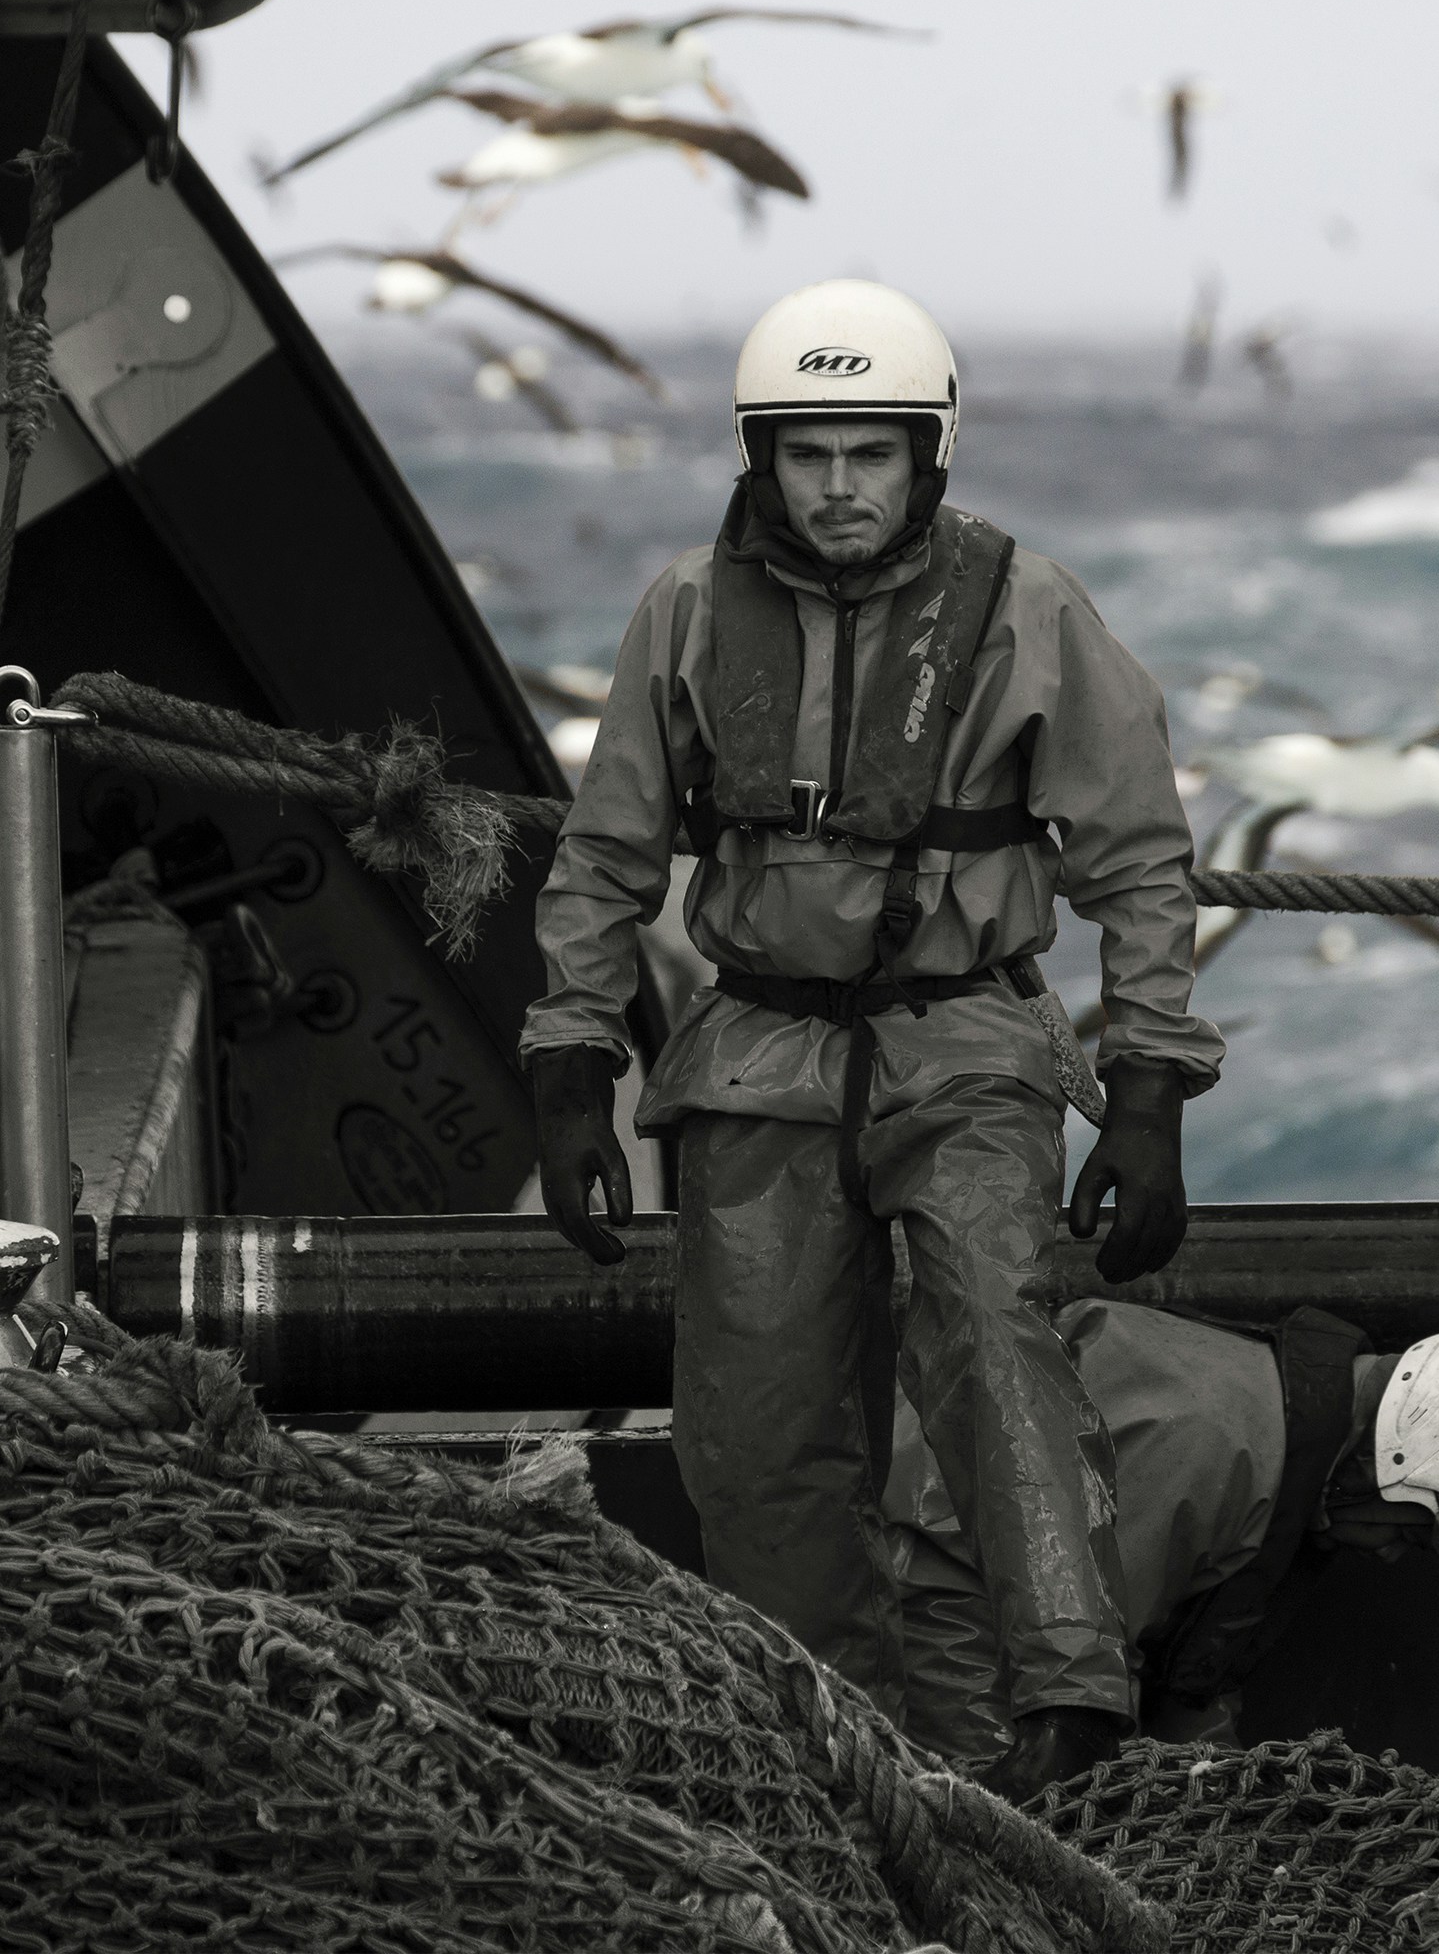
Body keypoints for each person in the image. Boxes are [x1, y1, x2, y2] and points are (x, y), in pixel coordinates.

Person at [523, 279, 1227, 1801]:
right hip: (758, 1054)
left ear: (930, 454)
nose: (840, 486)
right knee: (760, 1439)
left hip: (965, 1040)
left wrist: (1152, 1089)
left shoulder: (1031, 610)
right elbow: (607, 855)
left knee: (995, 1332)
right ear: (759, 459)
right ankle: (824, 1760)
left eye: (871, 453)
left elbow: (1137, 857)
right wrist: (571, 1062)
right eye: (808, 453)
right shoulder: (685, 614)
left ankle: (1069, 1704)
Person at [887, 1306, 1439, 1761]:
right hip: (941, 1590)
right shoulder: (1211, 1442)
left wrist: (1219, 1798)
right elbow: (1073, 1655)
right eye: (1413, 1534)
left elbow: (1192, 1683)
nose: (1393, 1553)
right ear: (1390, 1461)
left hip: (992, 1610)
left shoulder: (1287, 1467)